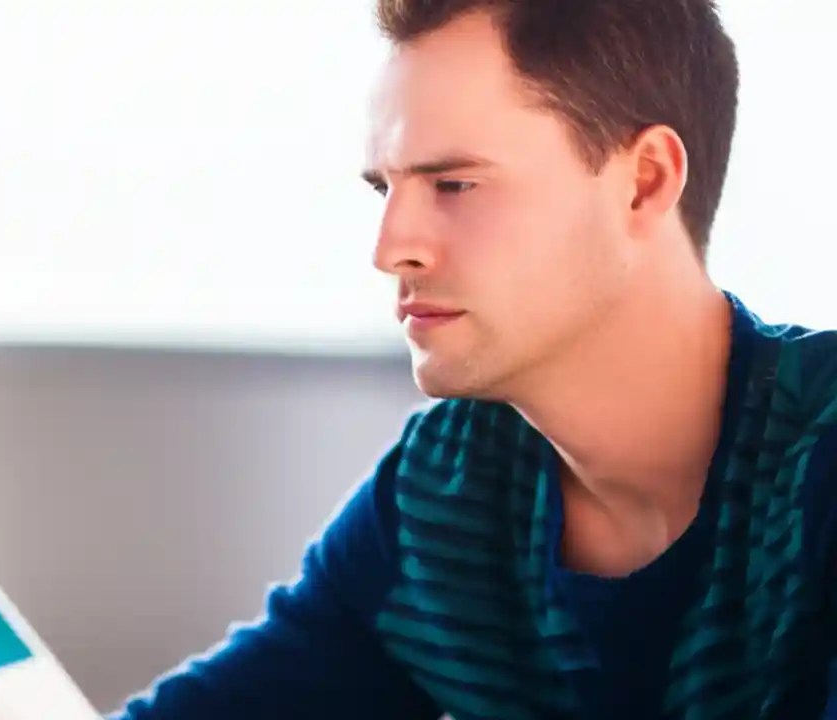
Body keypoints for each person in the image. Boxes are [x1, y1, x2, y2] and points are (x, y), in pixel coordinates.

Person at [111, 1, 837, 718]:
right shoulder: (449, 485)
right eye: (384, 189)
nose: (390, 248)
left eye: (454, 185)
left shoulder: (819, 457)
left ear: (643, 181)